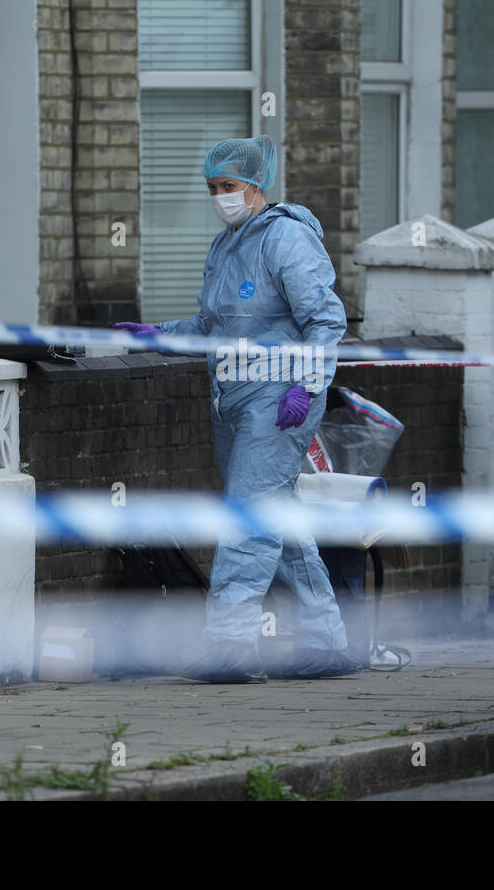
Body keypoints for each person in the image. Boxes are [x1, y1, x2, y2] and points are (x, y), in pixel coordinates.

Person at [114, 135, 359, 683]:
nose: (221, 197)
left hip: (278, 401)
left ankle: (231, 644)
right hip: (233, 399)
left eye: (229, 187)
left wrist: (307, 385)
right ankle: (325, 639)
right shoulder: (227, 245)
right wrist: (161, 334)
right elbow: (213, 326)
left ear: (255, 186)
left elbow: (326, 321)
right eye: (213, 188)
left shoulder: (287, 240)